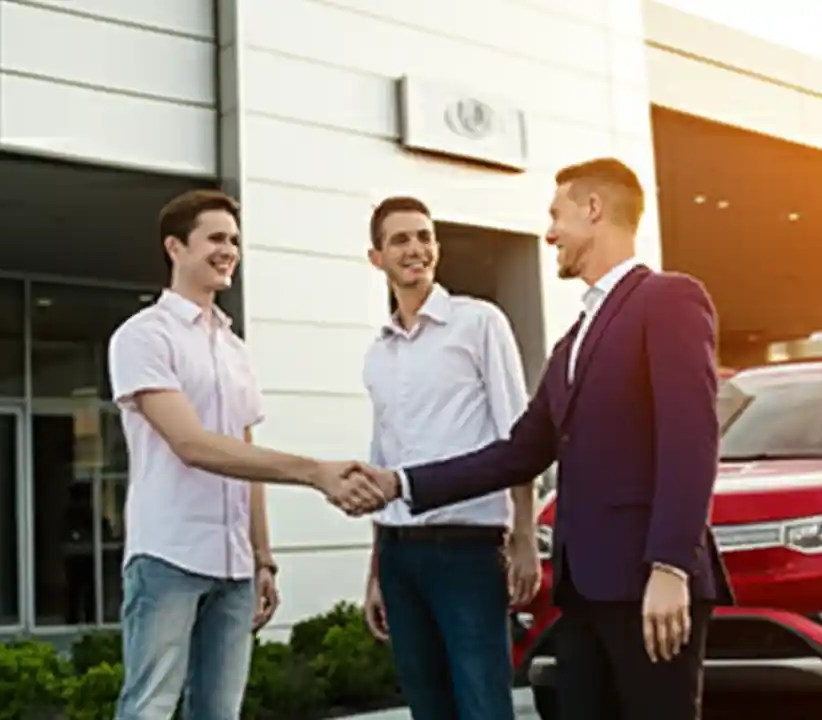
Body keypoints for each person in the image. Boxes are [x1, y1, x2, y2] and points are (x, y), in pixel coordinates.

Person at [358, 159, 734, 719]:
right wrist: (400, 483)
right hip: (584, 591)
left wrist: (670, 566)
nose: (550, 232)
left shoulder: (668, 299)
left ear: (594, 210)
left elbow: (691, 440)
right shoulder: (572, 342)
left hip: (646, 584)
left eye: (556, 215)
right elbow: (518, 452)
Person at [109, 189, 383, 720]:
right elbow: (189, 444)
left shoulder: (234, 349)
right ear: (175, 247)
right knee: (149, 707)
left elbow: (244, 450)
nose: (228, 249)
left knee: (220, 713)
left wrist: (263, 558)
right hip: (168, 555)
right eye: (215, 238)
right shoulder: (142, 337)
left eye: (234, 240)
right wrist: (313, 472)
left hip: (234, 564)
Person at [360, 196, 541, 720]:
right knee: (427, 708)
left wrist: (525, 537)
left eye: (424, 236)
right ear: (377, 258)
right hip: (399, 554)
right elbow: (383, 459)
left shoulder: (479, 322)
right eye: (400, 240)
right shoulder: (380, 351)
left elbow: (518, 438)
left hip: (468, 549)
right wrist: (376, 569)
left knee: (483, 705)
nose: (416, 249)